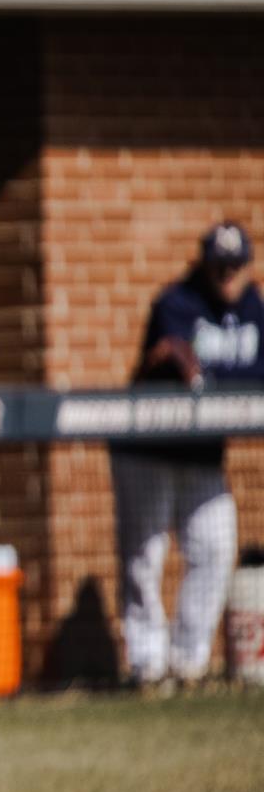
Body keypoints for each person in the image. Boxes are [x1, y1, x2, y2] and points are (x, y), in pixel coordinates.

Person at [112, 220, 264, 687]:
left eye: (235, 267)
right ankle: (148, 664)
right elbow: (176, 361)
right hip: (149, 448)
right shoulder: (177, 303)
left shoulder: (253, 309)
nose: (227, 276)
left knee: (215, 549)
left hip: (202, 455)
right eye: (219, 267)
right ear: (203, 264)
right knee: (145, 556)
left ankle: (189, 660)